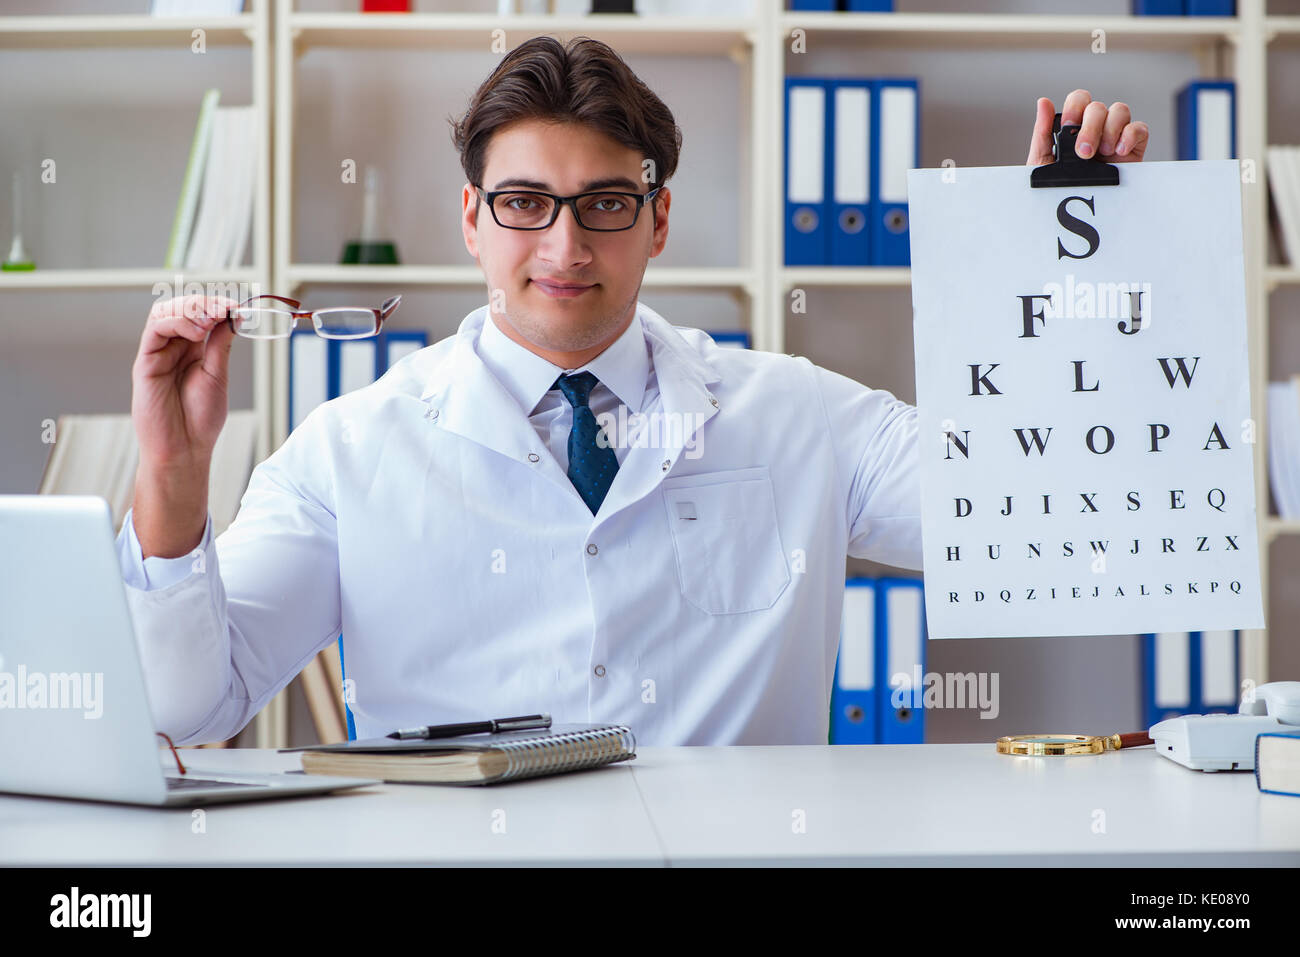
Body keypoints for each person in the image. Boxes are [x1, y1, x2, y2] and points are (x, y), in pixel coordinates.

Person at [119, 36, 1150, 746]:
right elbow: (191, 704)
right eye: (526, 203)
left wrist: (1054, 278)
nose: (565, 246)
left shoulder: (798, 416)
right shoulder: (347, 451)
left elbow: (1035, 525)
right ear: (472, 220)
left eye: (606, 202)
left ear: (657, 221)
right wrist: (171, 477)